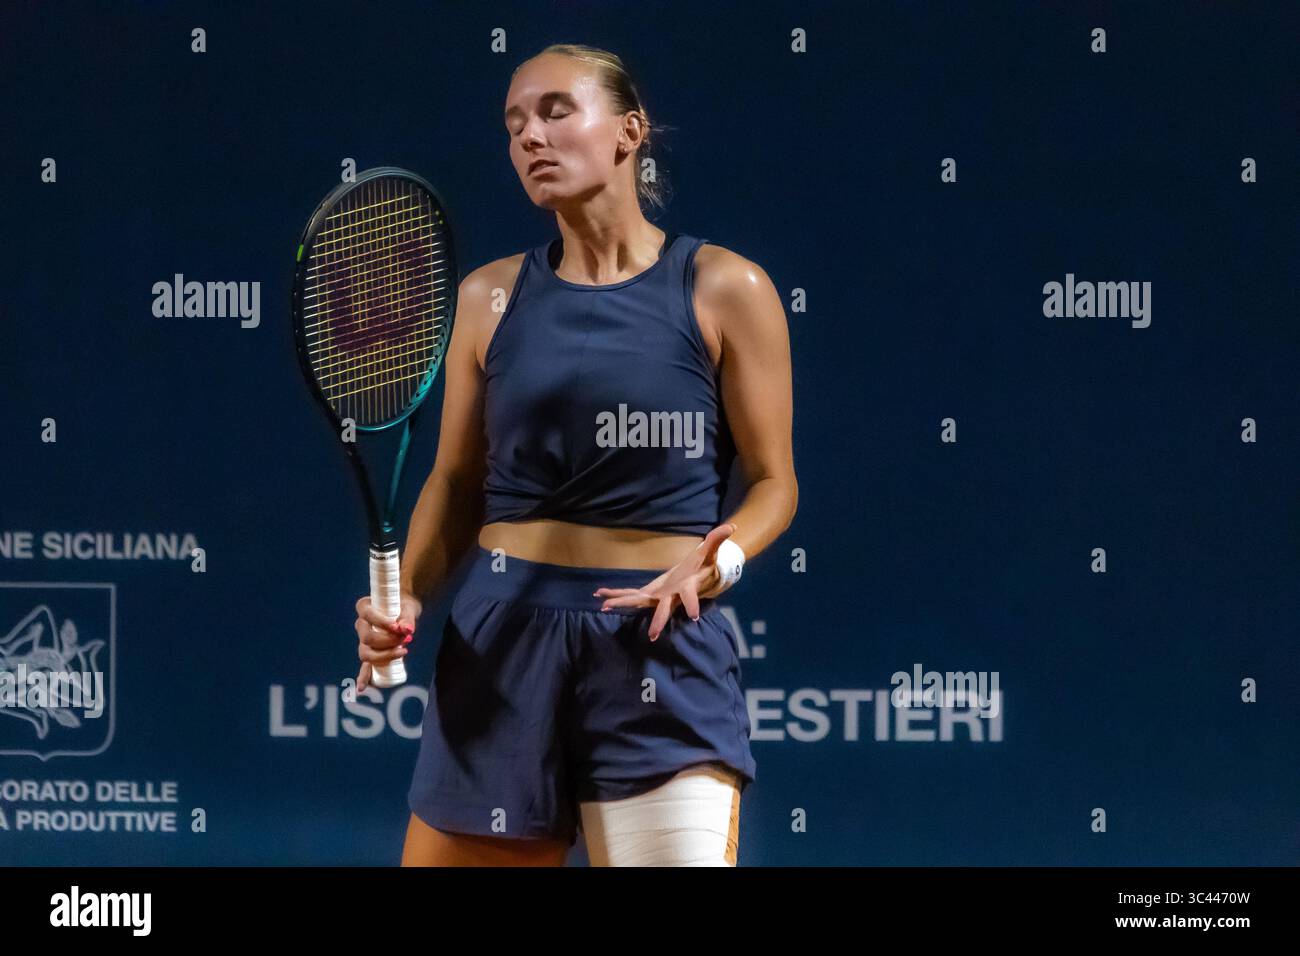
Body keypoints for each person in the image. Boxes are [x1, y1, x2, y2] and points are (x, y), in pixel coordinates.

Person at [353, 43, 796, 866]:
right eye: (515, 122)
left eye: (557, 110)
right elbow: (455, 484)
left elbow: (774, 483)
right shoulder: (485, 298)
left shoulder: (727, 287)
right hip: (499, 647)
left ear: (630, 131)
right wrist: (406, 597)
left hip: (661, 644)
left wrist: (718, 563)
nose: (531, 136)